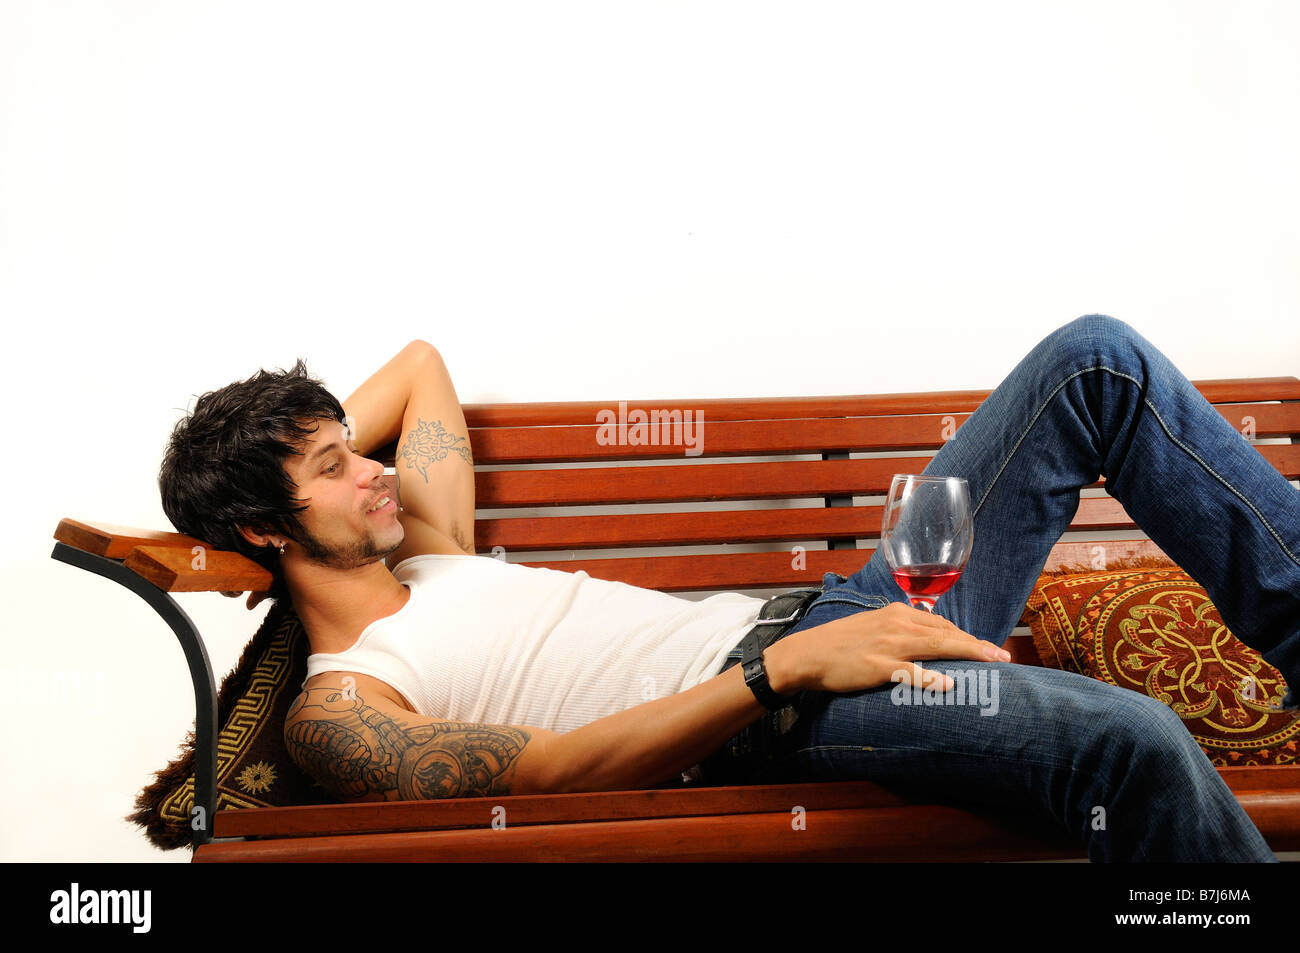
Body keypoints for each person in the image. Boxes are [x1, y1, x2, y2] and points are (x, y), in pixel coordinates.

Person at [157, 314, 1298, 862]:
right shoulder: (344, 703)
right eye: (331, 469)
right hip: (788, 708)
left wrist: (294, 466)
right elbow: (554, 772)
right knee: (1131, 741)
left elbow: (418, 364)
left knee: (1091, 360)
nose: (370, 468)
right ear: (267, 525)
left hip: (837, 617)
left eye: (355, 449)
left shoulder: (430, 543)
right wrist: (778, 671)